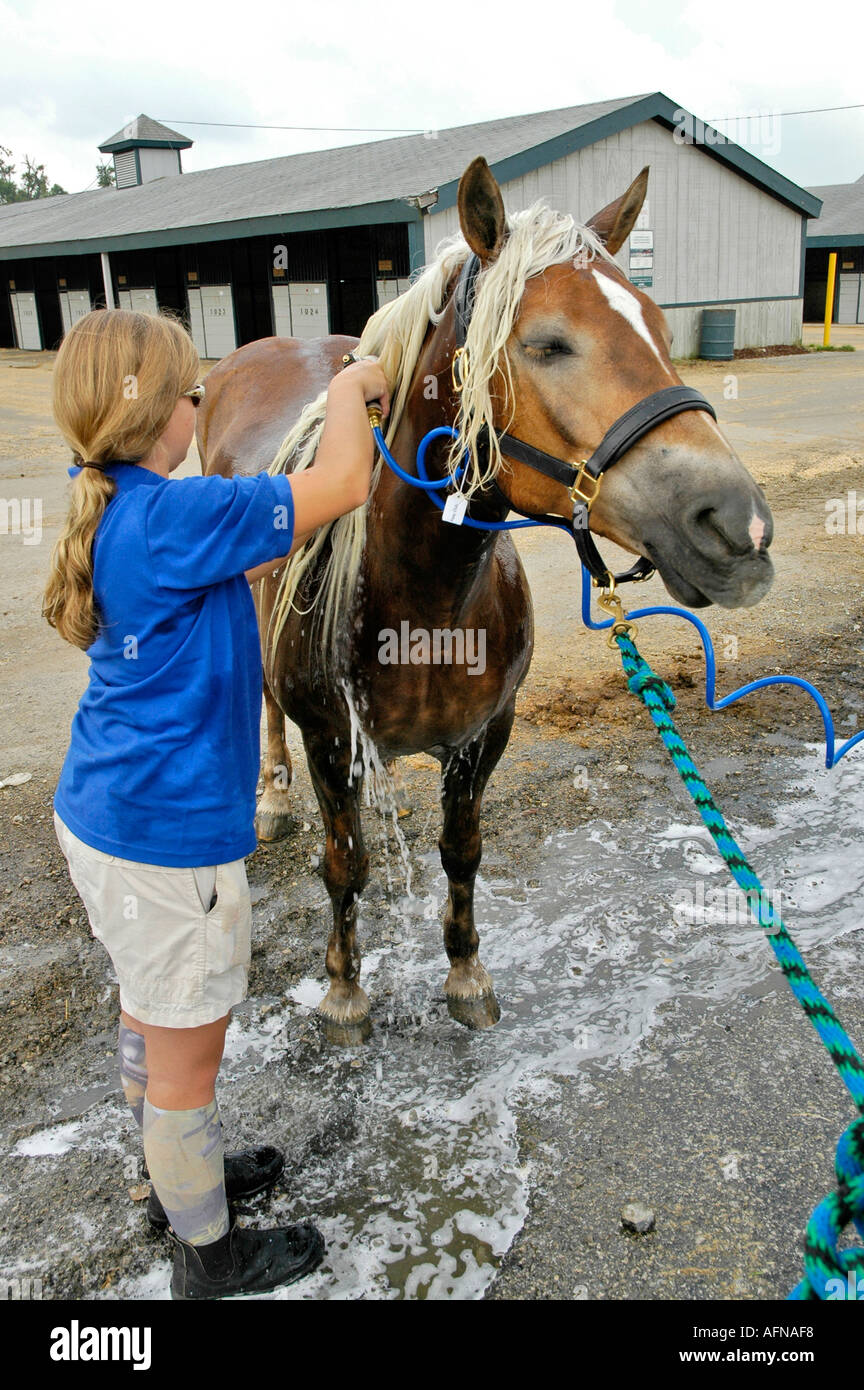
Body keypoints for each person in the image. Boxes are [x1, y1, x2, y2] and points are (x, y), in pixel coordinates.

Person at [43, 308, 389, 1299]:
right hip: (166, 840)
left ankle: (175, 1179)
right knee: (188, 1059)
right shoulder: (186, 513)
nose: (204, 404)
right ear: (159, 414)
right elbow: (346, 484)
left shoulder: (124, 506)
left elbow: (195, 579)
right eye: (191, 391)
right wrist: (348, 389)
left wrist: (251, 565)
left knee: (153, 1017)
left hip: (106, 816)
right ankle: (210, 1256)